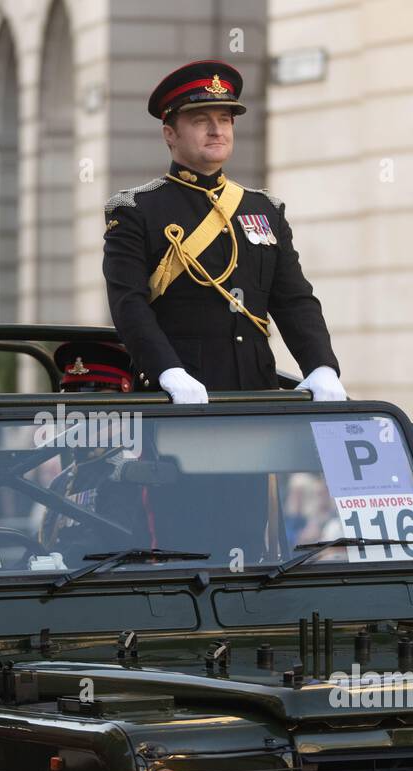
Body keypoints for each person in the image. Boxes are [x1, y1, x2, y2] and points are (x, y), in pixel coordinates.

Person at [102, 60, 345, 403]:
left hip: (257, 394)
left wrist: (321, 367)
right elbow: (129, 304)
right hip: (178, 396)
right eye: (201, 121)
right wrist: (166, 372)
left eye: (225, 120)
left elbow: (294, 300)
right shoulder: (136, 209)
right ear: (170, 134)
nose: (217, 130)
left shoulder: (264, 209)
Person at [39, 342, 149, 555]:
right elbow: (43, 549)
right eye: (71, 399)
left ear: (122, 403)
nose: (77, 412)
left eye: (92, 399)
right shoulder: (62, 481)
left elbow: (105, 548)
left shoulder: (130, 473)